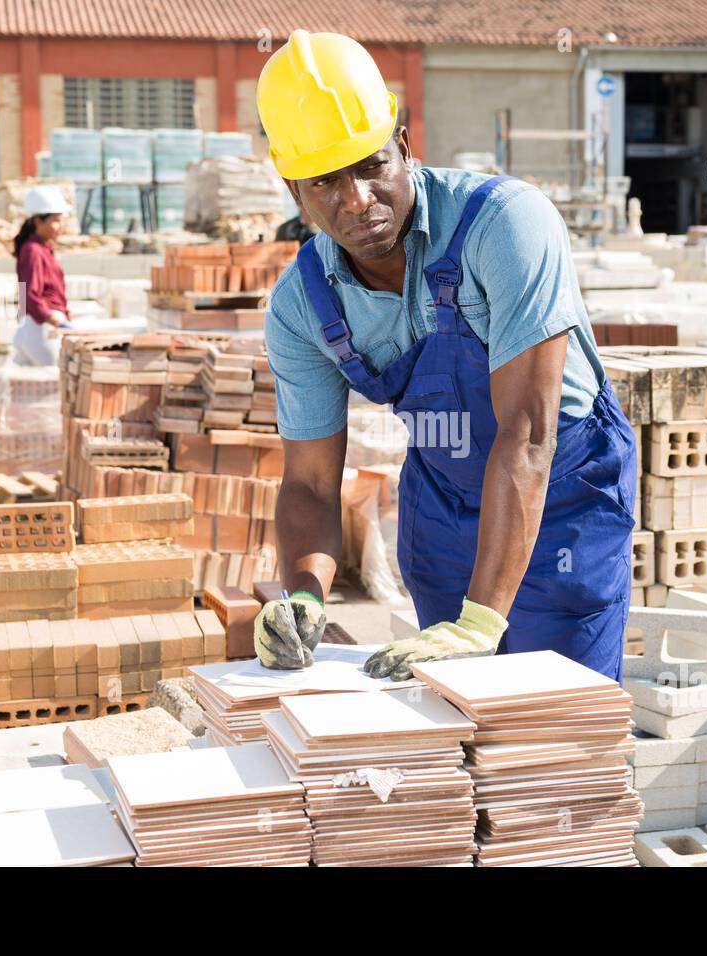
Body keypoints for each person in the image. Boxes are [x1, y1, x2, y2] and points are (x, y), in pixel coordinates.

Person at [249, 31, 637, 682]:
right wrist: (304, 596)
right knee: (452, 728)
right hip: (442, 510)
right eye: (326, 182)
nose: (358, 200)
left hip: (560, 501)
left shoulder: (506, 224)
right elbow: (311, 483)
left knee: (555, 730)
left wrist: (482, 620)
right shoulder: (303, 306)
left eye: (372, 166)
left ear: (403, 146)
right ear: (295, 192)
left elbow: (528, 432)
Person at [12, 185, 74, 367]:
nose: (60, 227)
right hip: (41, 329)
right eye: (55, 221)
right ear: (38, 222)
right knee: (56, 385)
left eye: (62, 221)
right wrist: (54, 319)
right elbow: (30, 294)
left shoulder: (42, 249)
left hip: (38, 327)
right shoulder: (34, 251)